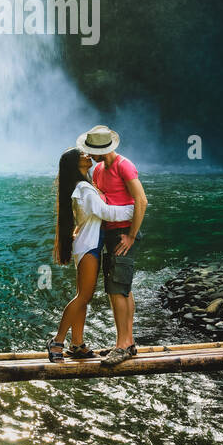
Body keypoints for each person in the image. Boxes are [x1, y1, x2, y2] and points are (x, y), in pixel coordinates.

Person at [49, 147, 136, 361]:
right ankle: (57, 341)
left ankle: (77, 344)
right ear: (75, 164)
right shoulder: (85, 189)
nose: (88, 156)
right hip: (89, 247)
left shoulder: (84, 187)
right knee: (83, 297)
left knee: (83, 296)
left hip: (87, 245)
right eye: (83, 155)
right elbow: (106, 212)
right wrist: (135, 209)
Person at [76, 125, 147, 367]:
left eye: (90, 151)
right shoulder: (98, 170)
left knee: (116, 289)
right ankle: (128, 341)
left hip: (122, 233)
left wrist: (131, 235)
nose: (88, 155)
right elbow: (101, 199)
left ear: (100, 150)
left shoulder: (123, 165)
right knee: (122, 287)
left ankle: (123, 345)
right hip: (109, 232)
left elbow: (142, 200)